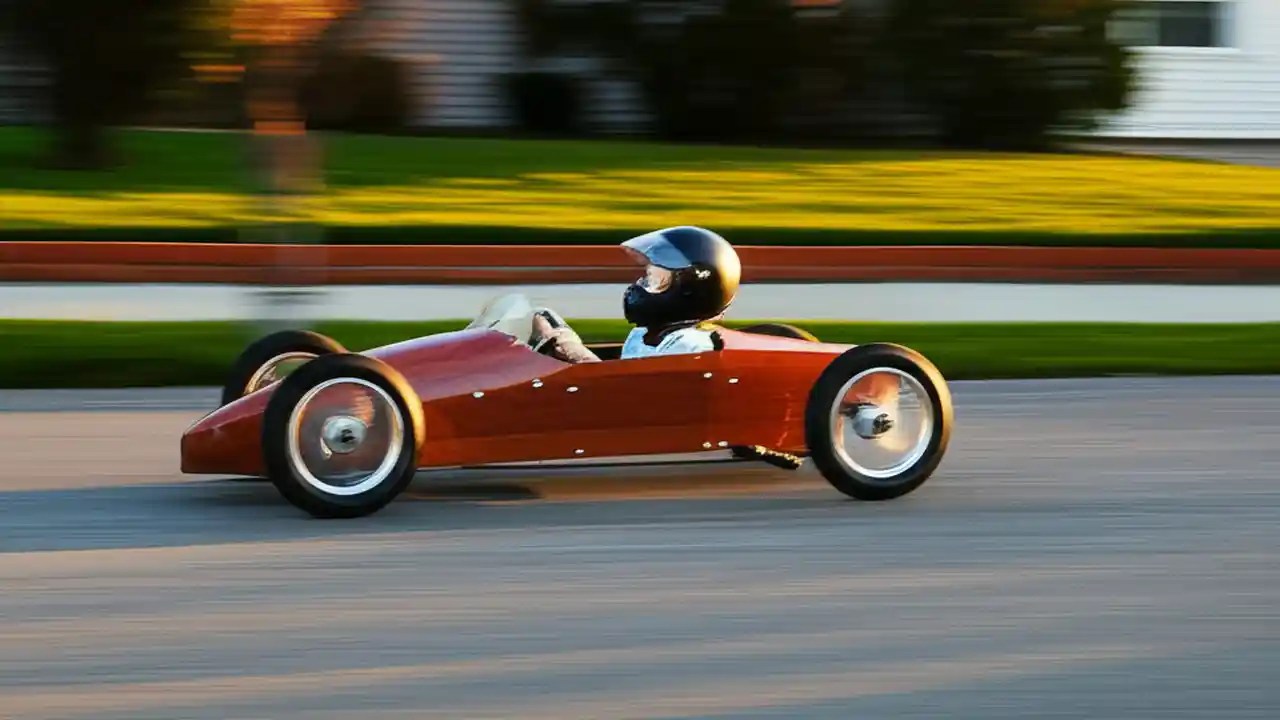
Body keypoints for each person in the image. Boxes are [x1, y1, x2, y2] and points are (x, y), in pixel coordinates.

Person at [532, 226, 741, 363]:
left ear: (690, 288)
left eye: (657, 279)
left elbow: (629, 395)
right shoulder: (642, 336)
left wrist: (566, 348)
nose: (642, 286)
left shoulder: (692, 346)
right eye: (648, 276)